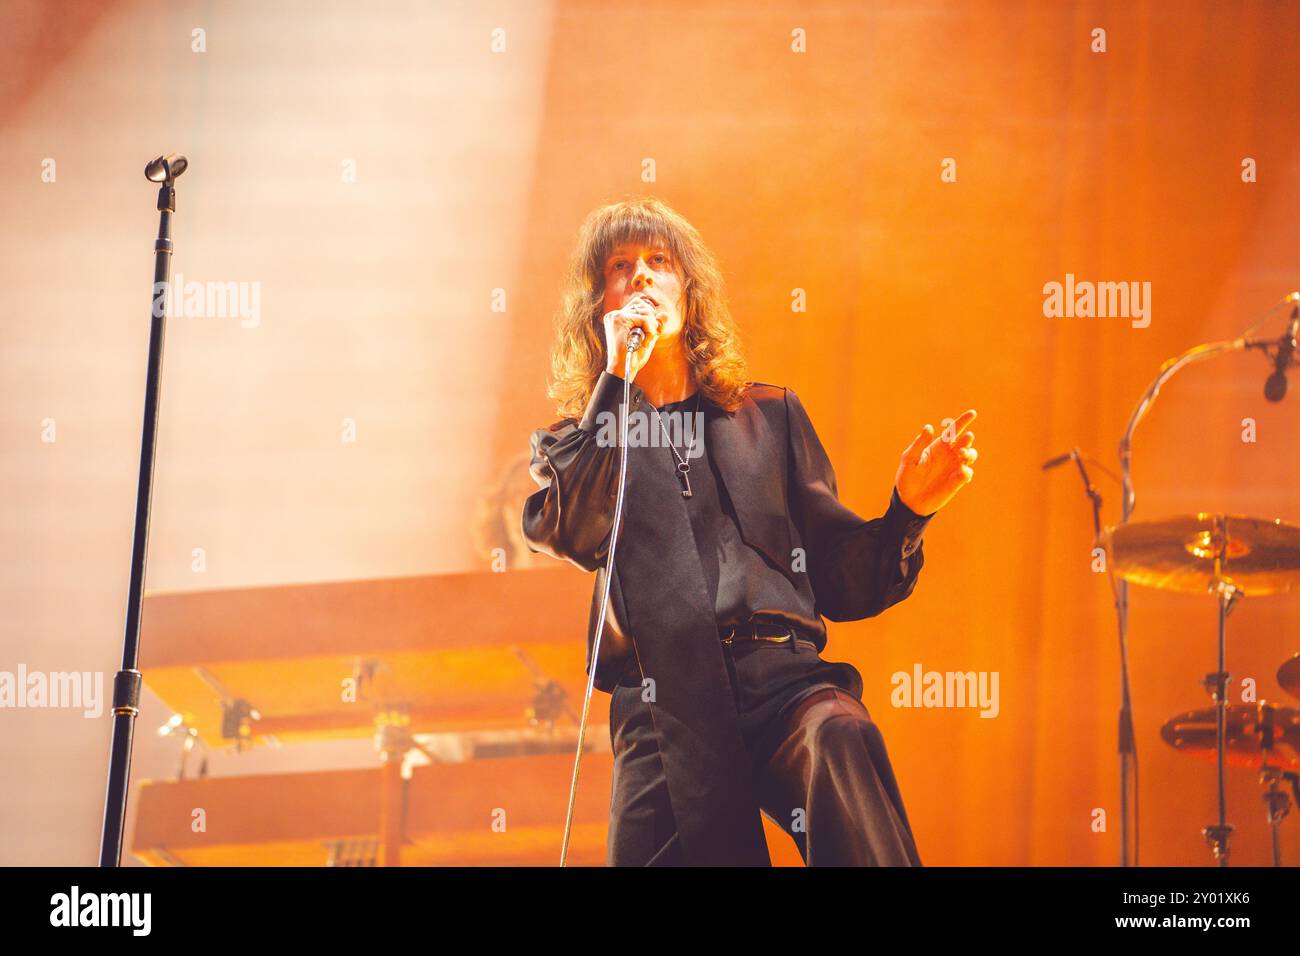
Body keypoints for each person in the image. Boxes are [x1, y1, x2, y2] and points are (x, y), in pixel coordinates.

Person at [521, 197, 978, 866]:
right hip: (662, 699)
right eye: (621, 267)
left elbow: (841, 578)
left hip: (780, 677)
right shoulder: (575, 443)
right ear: (598, 304)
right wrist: (618, 374)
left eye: (659, 263)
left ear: (690, 291)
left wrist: (908, 510)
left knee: (839, 736)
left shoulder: (769, 417)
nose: (642, 278)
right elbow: (579, 526)